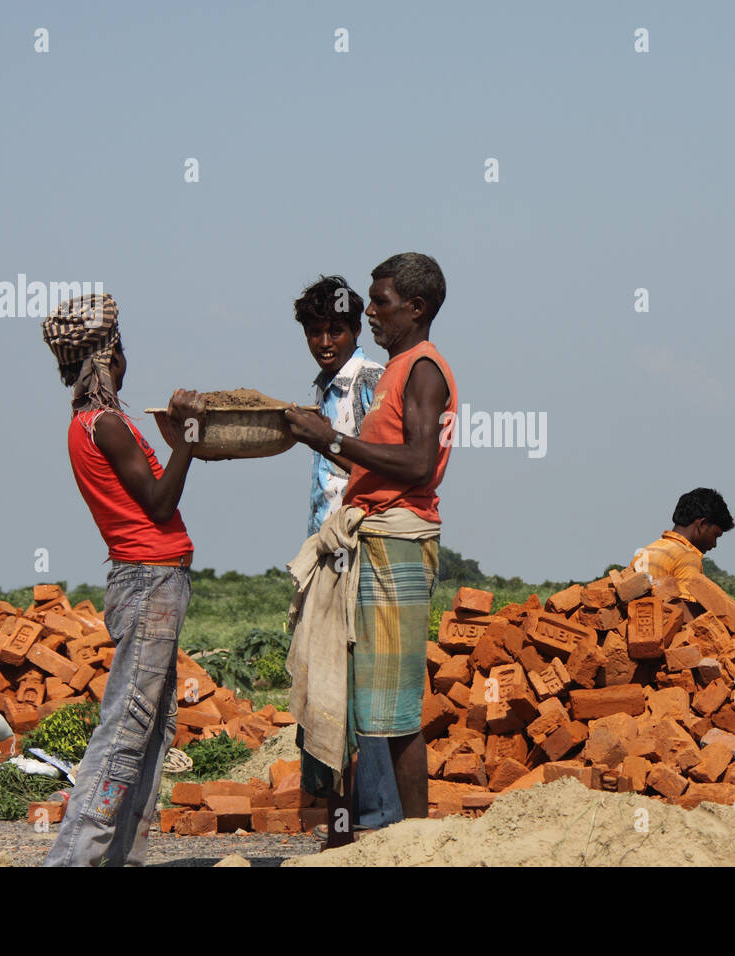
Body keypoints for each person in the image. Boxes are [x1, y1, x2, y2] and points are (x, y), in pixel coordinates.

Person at [283, 252, 456, 849]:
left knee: (394, 707)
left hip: (397, 541)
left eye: (380, 304)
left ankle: (409, 843)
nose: (374, 312)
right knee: (368, 699)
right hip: (376, 536)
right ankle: (375, 839)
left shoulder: (422, 370)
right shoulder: (400, 368)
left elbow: (417, 464)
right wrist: (314, 435)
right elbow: (373, 461)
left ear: (417, 308)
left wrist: (330, 435)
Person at [40, 293, 204, 866]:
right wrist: (186, 437)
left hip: (151, 581)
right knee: (127, 730)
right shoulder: (105, 424)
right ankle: (71, 861)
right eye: (122, 350)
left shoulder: (89, 423)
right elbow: (160, 504)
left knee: (152, 730)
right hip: (150, 581)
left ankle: (117, 858)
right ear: (106, 357)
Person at [290, 274, 399, 834]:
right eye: (315, 330)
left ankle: (376, 827)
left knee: (357, 691)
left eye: (335, 329)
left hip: (359, 550)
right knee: (324, 690)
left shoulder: (369, 382)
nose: (325, 340)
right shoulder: (322, 389)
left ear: (356, 329)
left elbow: (383, 460)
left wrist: (317, 437)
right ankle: (338, 830)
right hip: (325, 552)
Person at [627, 488, 735, 598]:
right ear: (703, 524)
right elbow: (685, 611)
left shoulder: (645, 552)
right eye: (716, 535)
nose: (714, 544)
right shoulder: (687, 557)